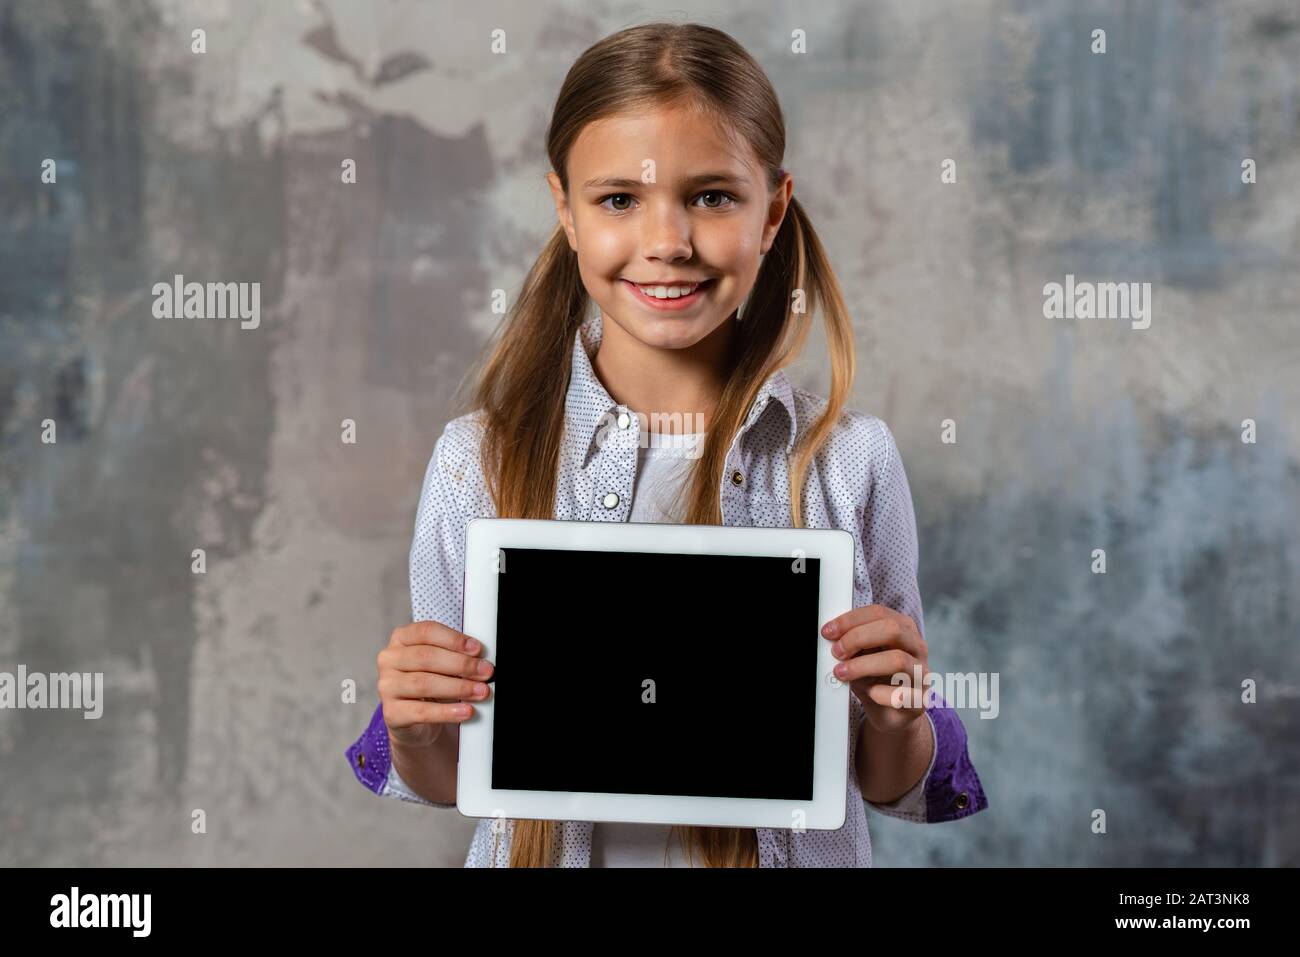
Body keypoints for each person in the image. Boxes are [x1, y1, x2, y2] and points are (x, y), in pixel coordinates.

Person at [345, 20, 987, 867]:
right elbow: (453, 771)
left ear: (772, 211)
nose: (668, 243)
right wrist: (415, 724)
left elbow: (887, 775)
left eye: (712, 196)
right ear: (565, 212)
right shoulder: (477, 462)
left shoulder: (848, 459)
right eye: (619, 199)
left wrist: (899, 713)